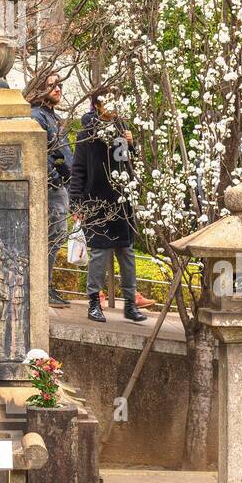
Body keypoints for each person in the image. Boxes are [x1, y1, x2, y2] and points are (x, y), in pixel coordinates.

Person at [69, 86, 146, 325]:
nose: (115, 108)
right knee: (100, 252)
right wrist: (76, 202)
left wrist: (130, 145)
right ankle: (94, 302)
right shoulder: (87, 133)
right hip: (97, 199)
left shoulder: (121, 128)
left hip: (121, 200)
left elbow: (123, 164)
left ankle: (130, 303)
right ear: (99, 105)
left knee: (127, 251)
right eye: (110, 103)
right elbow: (79, 169)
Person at [28, 71, 74, 309]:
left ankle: (45, 285)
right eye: (52, 85)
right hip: (50, 189)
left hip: (60, 187)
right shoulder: (36, 117)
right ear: (41, 89)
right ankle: (42, 287)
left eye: (60, 85)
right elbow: (37, 154)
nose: (57, 89)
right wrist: (56, 176)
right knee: (51, 237)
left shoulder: (53, 117)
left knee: (56, 237)